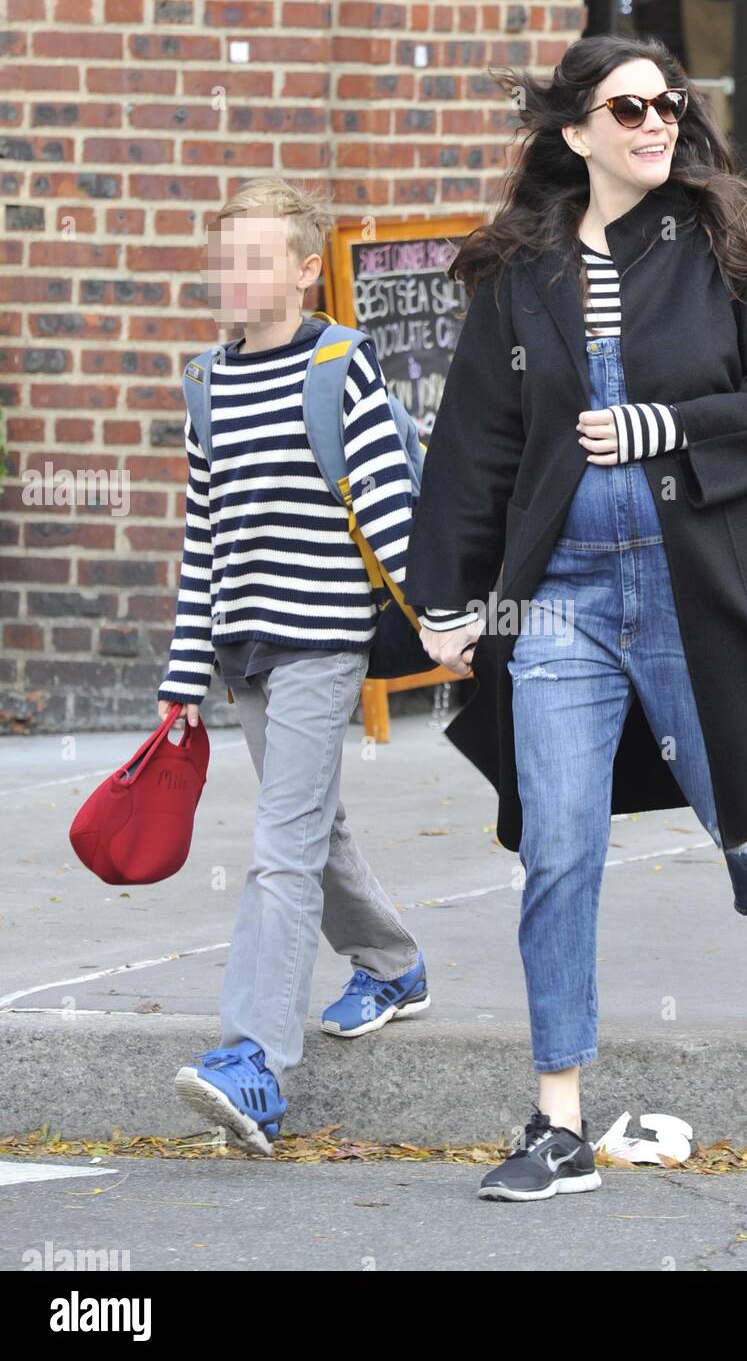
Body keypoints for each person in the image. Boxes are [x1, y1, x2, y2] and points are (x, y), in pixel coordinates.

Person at [404, 34, 747, 1202]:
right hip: (561, 598)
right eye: (629, 106)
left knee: (740, 809)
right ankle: (557, 1117)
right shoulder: (521, 275)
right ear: (574, 132)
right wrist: (440, 596)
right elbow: (477, 439)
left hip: (692, 582)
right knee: (558, 847)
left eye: (668, 105)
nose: (656, 123)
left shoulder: (728, 249)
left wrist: (667, 428)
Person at [156, 177, 429, 1156]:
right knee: (310, 825)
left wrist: (437, 619)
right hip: (247, 653)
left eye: (258, 255)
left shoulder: (337, 367)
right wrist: (182, 679)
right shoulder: (207, 383)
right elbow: (204, 544)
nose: (236, 274)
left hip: (323, 643)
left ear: (306, 269)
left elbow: (391, 504)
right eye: (225, 256)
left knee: (279, 845)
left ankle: (253, 1061)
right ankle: (392, 962)